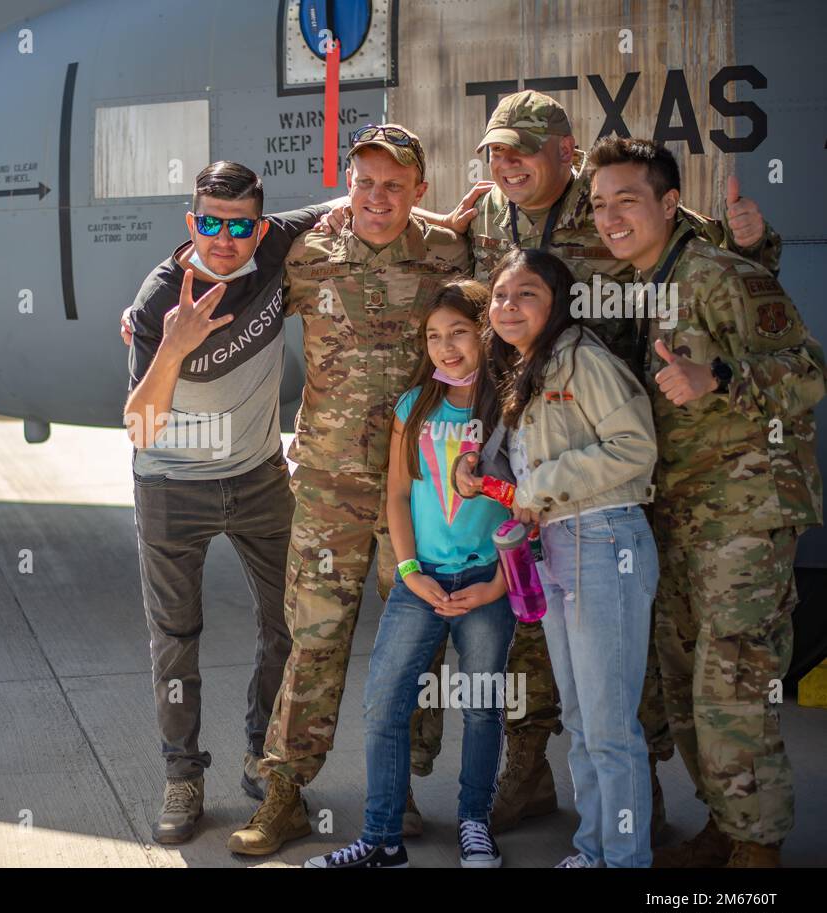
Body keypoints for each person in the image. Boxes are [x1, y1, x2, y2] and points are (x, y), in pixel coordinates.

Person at [408, 90, 780, 839]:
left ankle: (638, 799)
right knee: (533, 631)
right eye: (497, 152)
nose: (507, 163)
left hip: (623, 445)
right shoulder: (486, 215)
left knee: (622, 651)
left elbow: (710, 254)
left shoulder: (613, 202)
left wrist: (757, 243)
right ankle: (531, 771)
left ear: (565, 149)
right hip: (533, 442)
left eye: (523, 148)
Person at [227, 125, 469, 856]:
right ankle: (285, 791)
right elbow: (233, 274)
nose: (377, 197)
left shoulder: (447, 253)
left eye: (394, 184)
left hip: (417, 488)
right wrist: (150, 326)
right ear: (348, 184)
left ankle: (399, 792)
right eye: (364, 182)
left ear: (419, 191)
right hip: (330, 483)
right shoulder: (314, 252)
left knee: (416, 644)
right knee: (315, 639)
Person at [587, 136, 826, 867]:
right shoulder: (642, 282)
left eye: (628, 199)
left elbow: (808, 370)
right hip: (677, 513)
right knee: (684, 676)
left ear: (668, 202)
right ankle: (725, 823)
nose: (610, 216)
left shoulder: (717, 274)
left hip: (745, 513)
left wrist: (717, 376)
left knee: (733, 678)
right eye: (599, 203)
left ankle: (757, 843)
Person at [123, 161, 348, 844]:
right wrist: (175, 347)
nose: (226, 238)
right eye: (211, 223)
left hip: (255, 477)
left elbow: (359, 198)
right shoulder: (163, 296)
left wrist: (466, 206)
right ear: (193, 222)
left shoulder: (273, 246)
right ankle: (182, 775)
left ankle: (262, 751)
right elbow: (138, 423)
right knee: (176, 641)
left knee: (288, 619)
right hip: (171, 486)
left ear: (259, 223)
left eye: (240, 224)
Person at [306, 279, 515, 868]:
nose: (446, 348)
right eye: (433, 336)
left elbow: (531, 504)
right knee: (385, 704)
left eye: (460, 334)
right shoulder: (414, 406)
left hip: (486, 582)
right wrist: (407, 571)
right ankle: (380, 838)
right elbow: (396, 497)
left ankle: (476, 823)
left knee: (481, 706)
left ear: (485, 335)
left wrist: (499, 581)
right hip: (420, 581)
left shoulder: (507, 406)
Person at [465, 247, 659, 867]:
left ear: (556, 303)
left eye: (526, 295)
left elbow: (634, 448)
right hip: (557, 544)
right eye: (499, 295)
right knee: (580, 717)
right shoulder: (523, 368)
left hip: (604, 540)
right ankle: (594, 851)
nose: (508, 306)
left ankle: (625, 860)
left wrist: (537, 487)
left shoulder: (583, 359)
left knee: (609, 726)